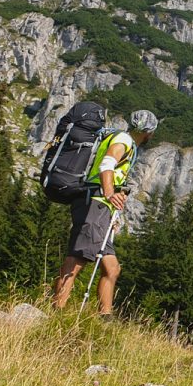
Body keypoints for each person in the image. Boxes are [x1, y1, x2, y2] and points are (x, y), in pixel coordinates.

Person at [52, 110, 159, 318]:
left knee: (112, 267)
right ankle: (57, 309)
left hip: (102, 208)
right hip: (96, 203)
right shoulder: (124, 140)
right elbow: (107, 164)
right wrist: (109, 194)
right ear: (148, 132)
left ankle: (105, 317)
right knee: (78, 258)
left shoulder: (123, 140)